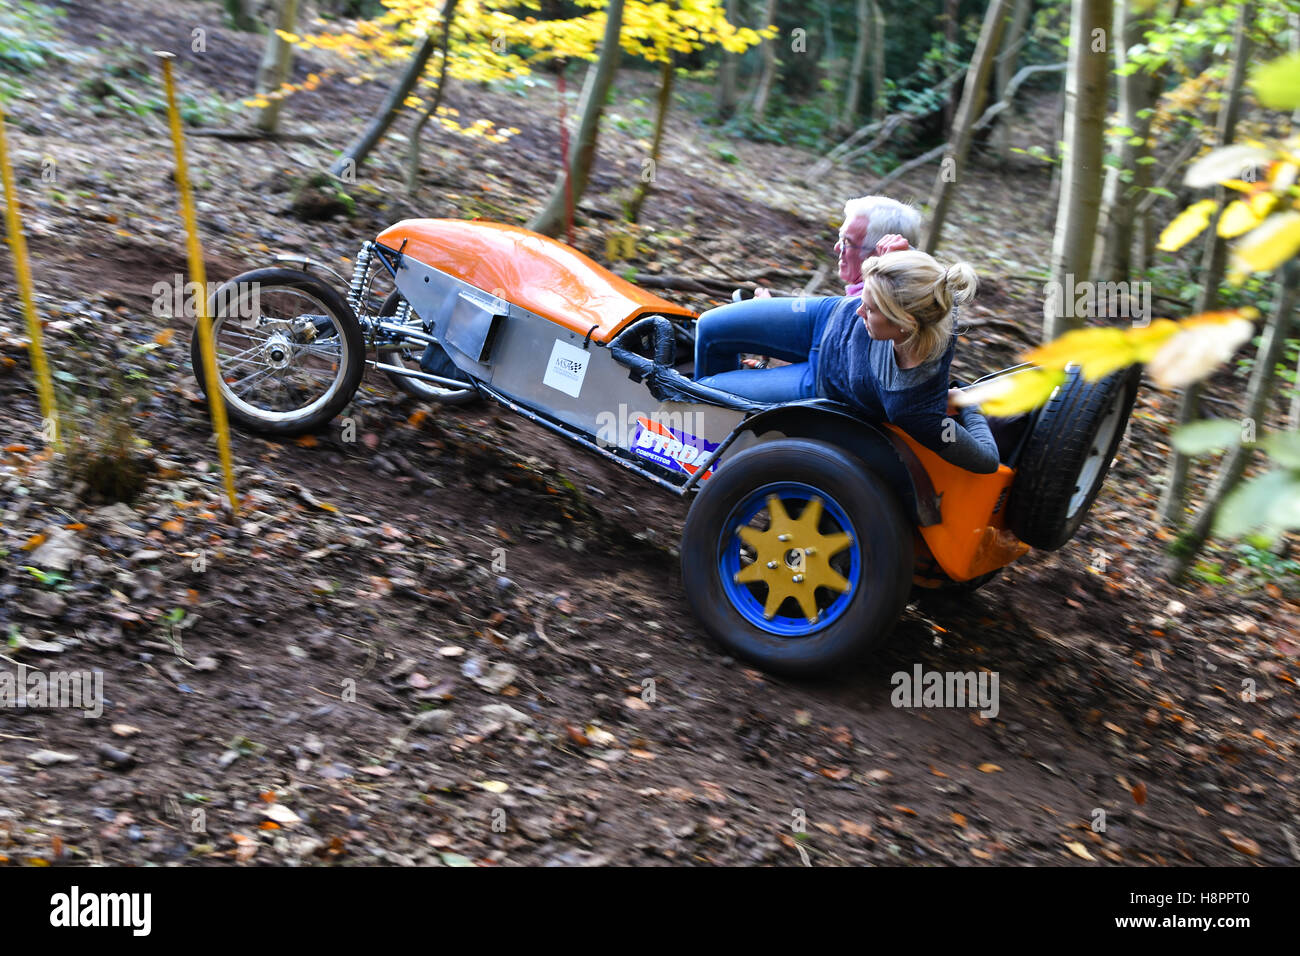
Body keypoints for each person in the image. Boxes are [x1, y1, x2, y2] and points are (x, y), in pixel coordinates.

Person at [692, 205, 998, 473]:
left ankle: (700, 448)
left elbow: (986, 461)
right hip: (820, 319)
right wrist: (903, 258)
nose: (860, 311)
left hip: (820, 379)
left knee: (705, 393)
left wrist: (967, 400)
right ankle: (700, 442)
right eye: (863, 299)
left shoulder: (914, 409)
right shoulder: (935, 294)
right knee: (709, 327)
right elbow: (917, 279)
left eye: (871, 308)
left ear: (906, 323)